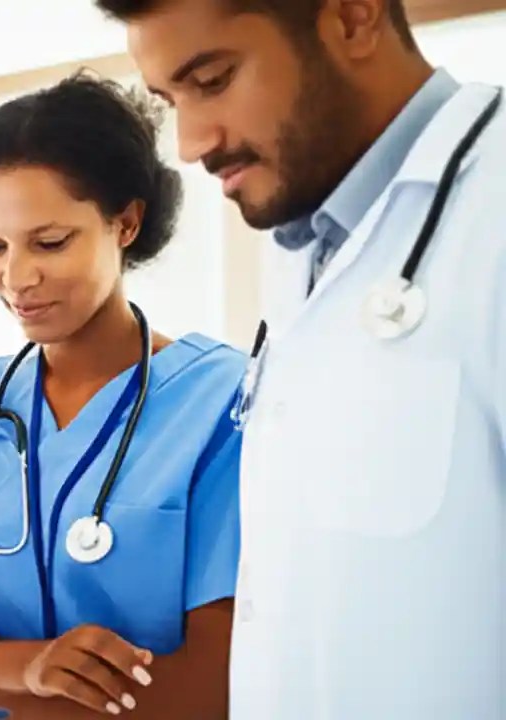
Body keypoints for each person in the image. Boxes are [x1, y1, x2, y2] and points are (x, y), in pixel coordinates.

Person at [94, 0, 506, 717]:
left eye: (214, 79)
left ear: (351, 16)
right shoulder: (304, 248)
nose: (190, 143)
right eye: (170, 101)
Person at [0, 71, 244, 719]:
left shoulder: (222, 403)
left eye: (49, 243)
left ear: (125, 222)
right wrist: (29, 666)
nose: (16, 278)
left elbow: (207, 690)